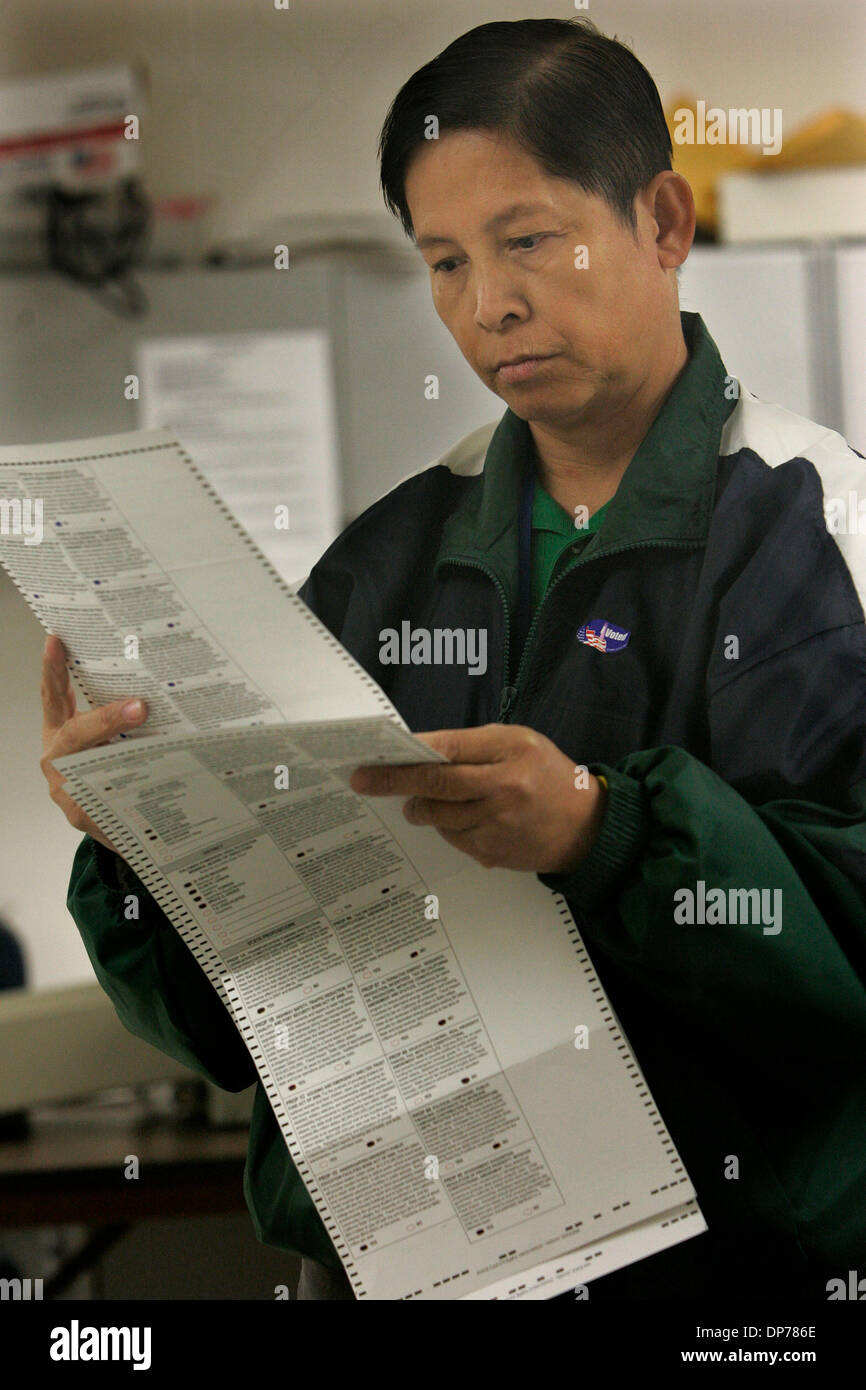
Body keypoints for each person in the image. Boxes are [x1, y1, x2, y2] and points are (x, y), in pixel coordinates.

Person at [43, 17, 865, 1301]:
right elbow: (242, 1017)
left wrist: (604, 832)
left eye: (526, 240)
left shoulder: (815, 526)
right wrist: (147, 841)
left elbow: (842, 950)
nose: (488, 305)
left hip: (729, 1287)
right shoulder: (383, 562)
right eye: (442, 261)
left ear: (659, 219)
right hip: (400, 1264)